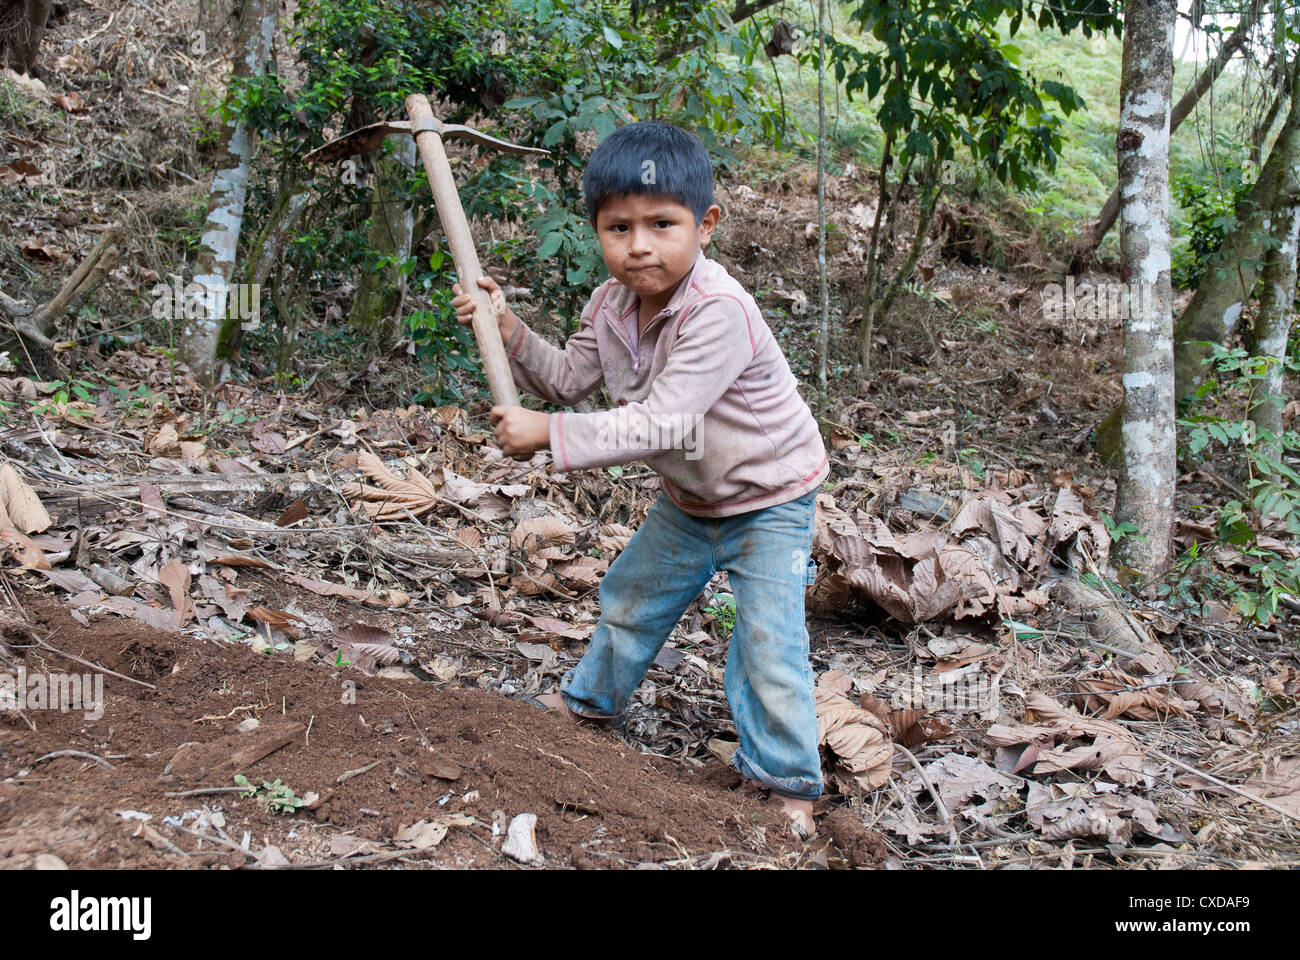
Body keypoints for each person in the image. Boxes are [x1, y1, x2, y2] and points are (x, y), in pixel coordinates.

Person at [452, 121, 829, 838]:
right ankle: (590, 704)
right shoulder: (611, 304)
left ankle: (788, 789)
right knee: (632, 595)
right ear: (596, 230)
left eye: (662, 224)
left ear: (706, 225)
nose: (640, 245)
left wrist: (547, 435)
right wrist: (507, 331)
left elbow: (660, 423)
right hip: (691, 499)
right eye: (617, 227)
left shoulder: (718, 312)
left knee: (767, 640)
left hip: (770, 500)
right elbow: (566, 378)